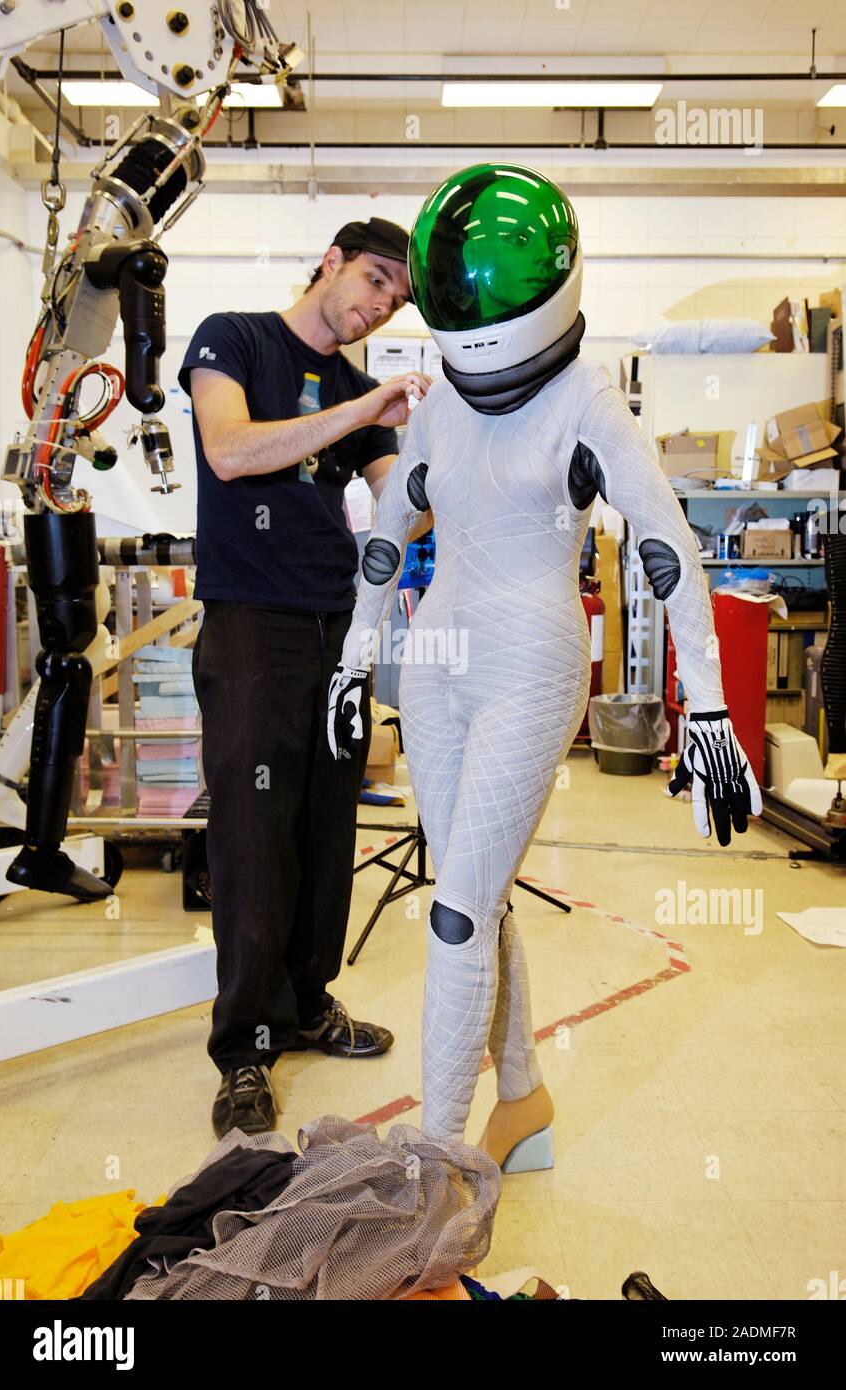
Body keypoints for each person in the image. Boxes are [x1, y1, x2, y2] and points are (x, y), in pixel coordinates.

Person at [328, 165, 761, 1172]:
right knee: (473, 896)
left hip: (529, 668)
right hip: (435, 670)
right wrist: (355, 662)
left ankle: (431, 1169)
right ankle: (520, 1100)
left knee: (455, 911)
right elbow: (387, 537)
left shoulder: (585, 399)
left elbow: (665, 546)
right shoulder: (439, 403)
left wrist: (707, 705)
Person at [179, 217, 431, 1138]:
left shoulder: (359, 390)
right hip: (253, 622)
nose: (381, 304)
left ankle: (308, 1003)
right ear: (331, 262)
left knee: (327, 829)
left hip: (339, 625)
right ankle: (245, 1047)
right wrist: (362, 414)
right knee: (254, 838)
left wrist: (445, 448)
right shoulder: (233, 339)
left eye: (397, 297)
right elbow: (230, 449)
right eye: (374, 279)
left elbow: (403, 503)